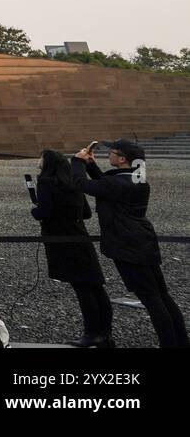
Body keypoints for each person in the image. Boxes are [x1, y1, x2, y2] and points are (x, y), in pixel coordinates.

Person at [73, 140, 187, 347]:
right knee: (161, 295)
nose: (109, 155)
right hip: (142, 240)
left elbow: (82, 185)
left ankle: (169, 344)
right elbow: (106, 187)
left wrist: (78, 162)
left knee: (151, 298)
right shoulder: (136, 178)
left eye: (112, 153)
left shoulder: (117, 183)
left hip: (127, 244)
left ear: (122, 159)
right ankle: (180, 341)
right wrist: (90, 165)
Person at [33, 149, 111, 347]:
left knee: (82, 288)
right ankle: (105, 333)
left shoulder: (45, 182)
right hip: (80, 236)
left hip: (60, 239)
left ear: (48, 161)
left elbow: (44, 212)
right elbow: (86, 213)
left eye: (41, 157)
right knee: (95, 286)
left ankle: (91, 333)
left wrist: (35, 209)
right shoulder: (73, 183)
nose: (38, 160)